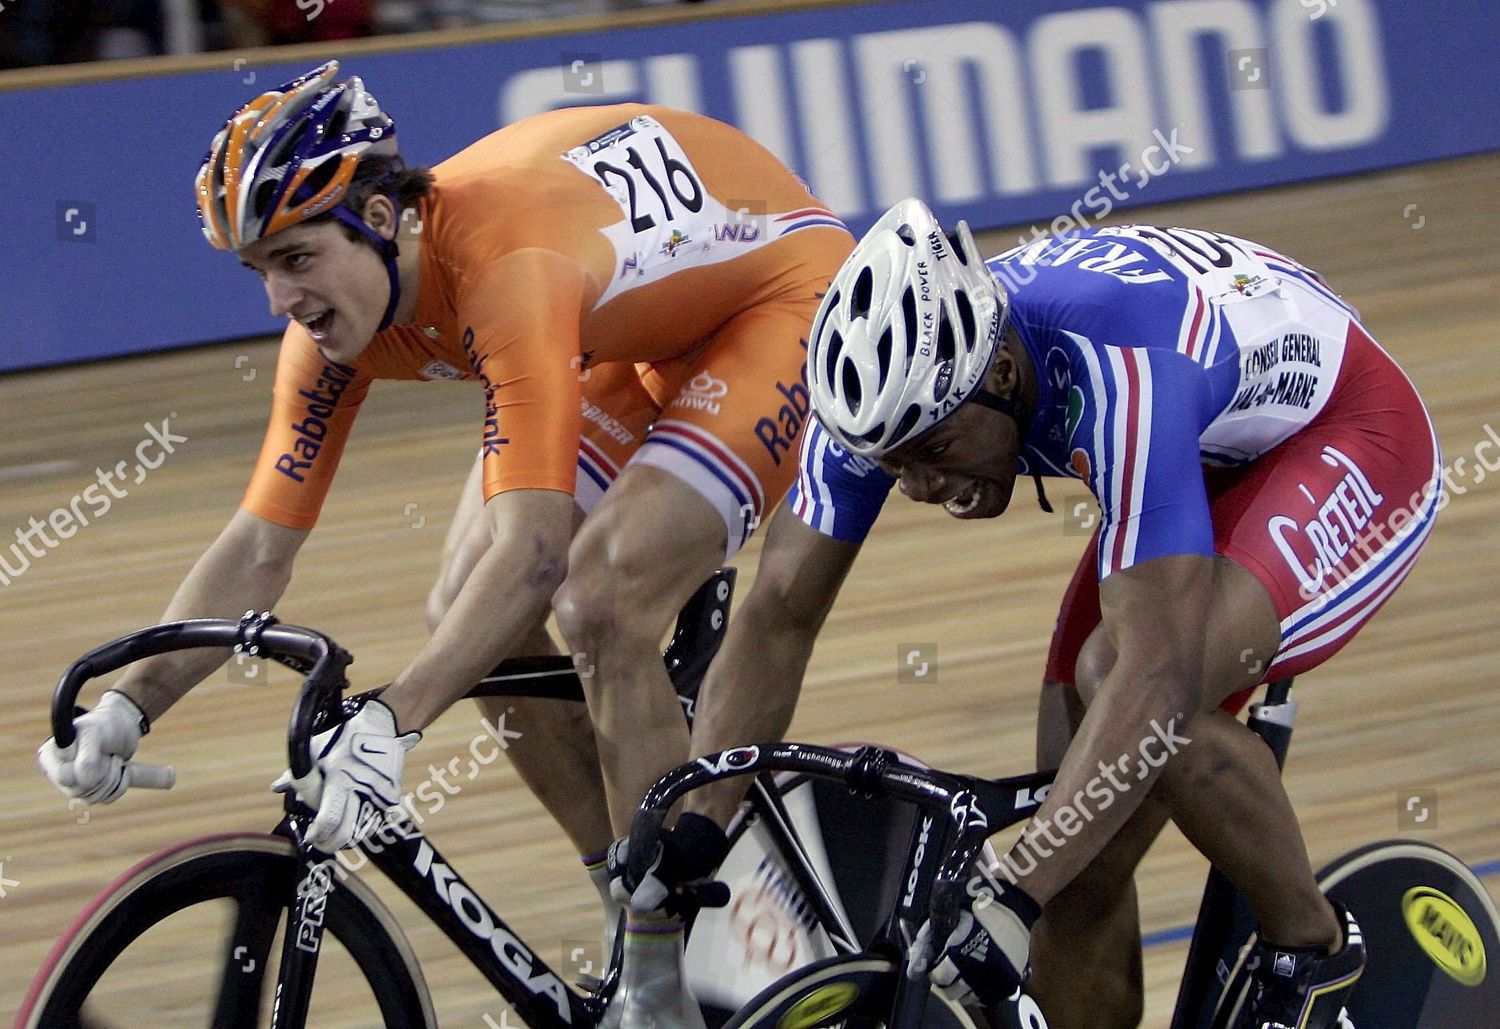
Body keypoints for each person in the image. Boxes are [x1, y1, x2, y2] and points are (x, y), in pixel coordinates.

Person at [37, 60, 853, 1023]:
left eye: (296, 258)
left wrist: (392, 721)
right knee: (468, 604)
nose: (278, 301)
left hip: (780, 301)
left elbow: (539, 553)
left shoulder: (501, 268)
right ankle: (635, 905)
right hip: (631, 326)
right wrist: (132, 705)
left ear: (380, 221)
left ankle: (663, 966)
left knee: (595, 595)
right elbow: (260, 544)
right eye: (259, 269)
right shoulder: (338, 326)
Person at [625, 198, 1440, 1029]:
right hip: (1203, 439)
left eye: (935, 453)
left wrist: (1013, 892)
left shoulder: (1117, 370)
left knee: (1138, 696)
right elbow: (776, 618)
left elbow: (1154, 683)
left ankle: (1315, 955)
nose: (918, 488)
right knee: (1077, 854)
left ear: (1004, 376)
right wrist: (700, 826)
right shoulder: (888, 402)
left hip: (1353, 435)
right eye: (893, 466)